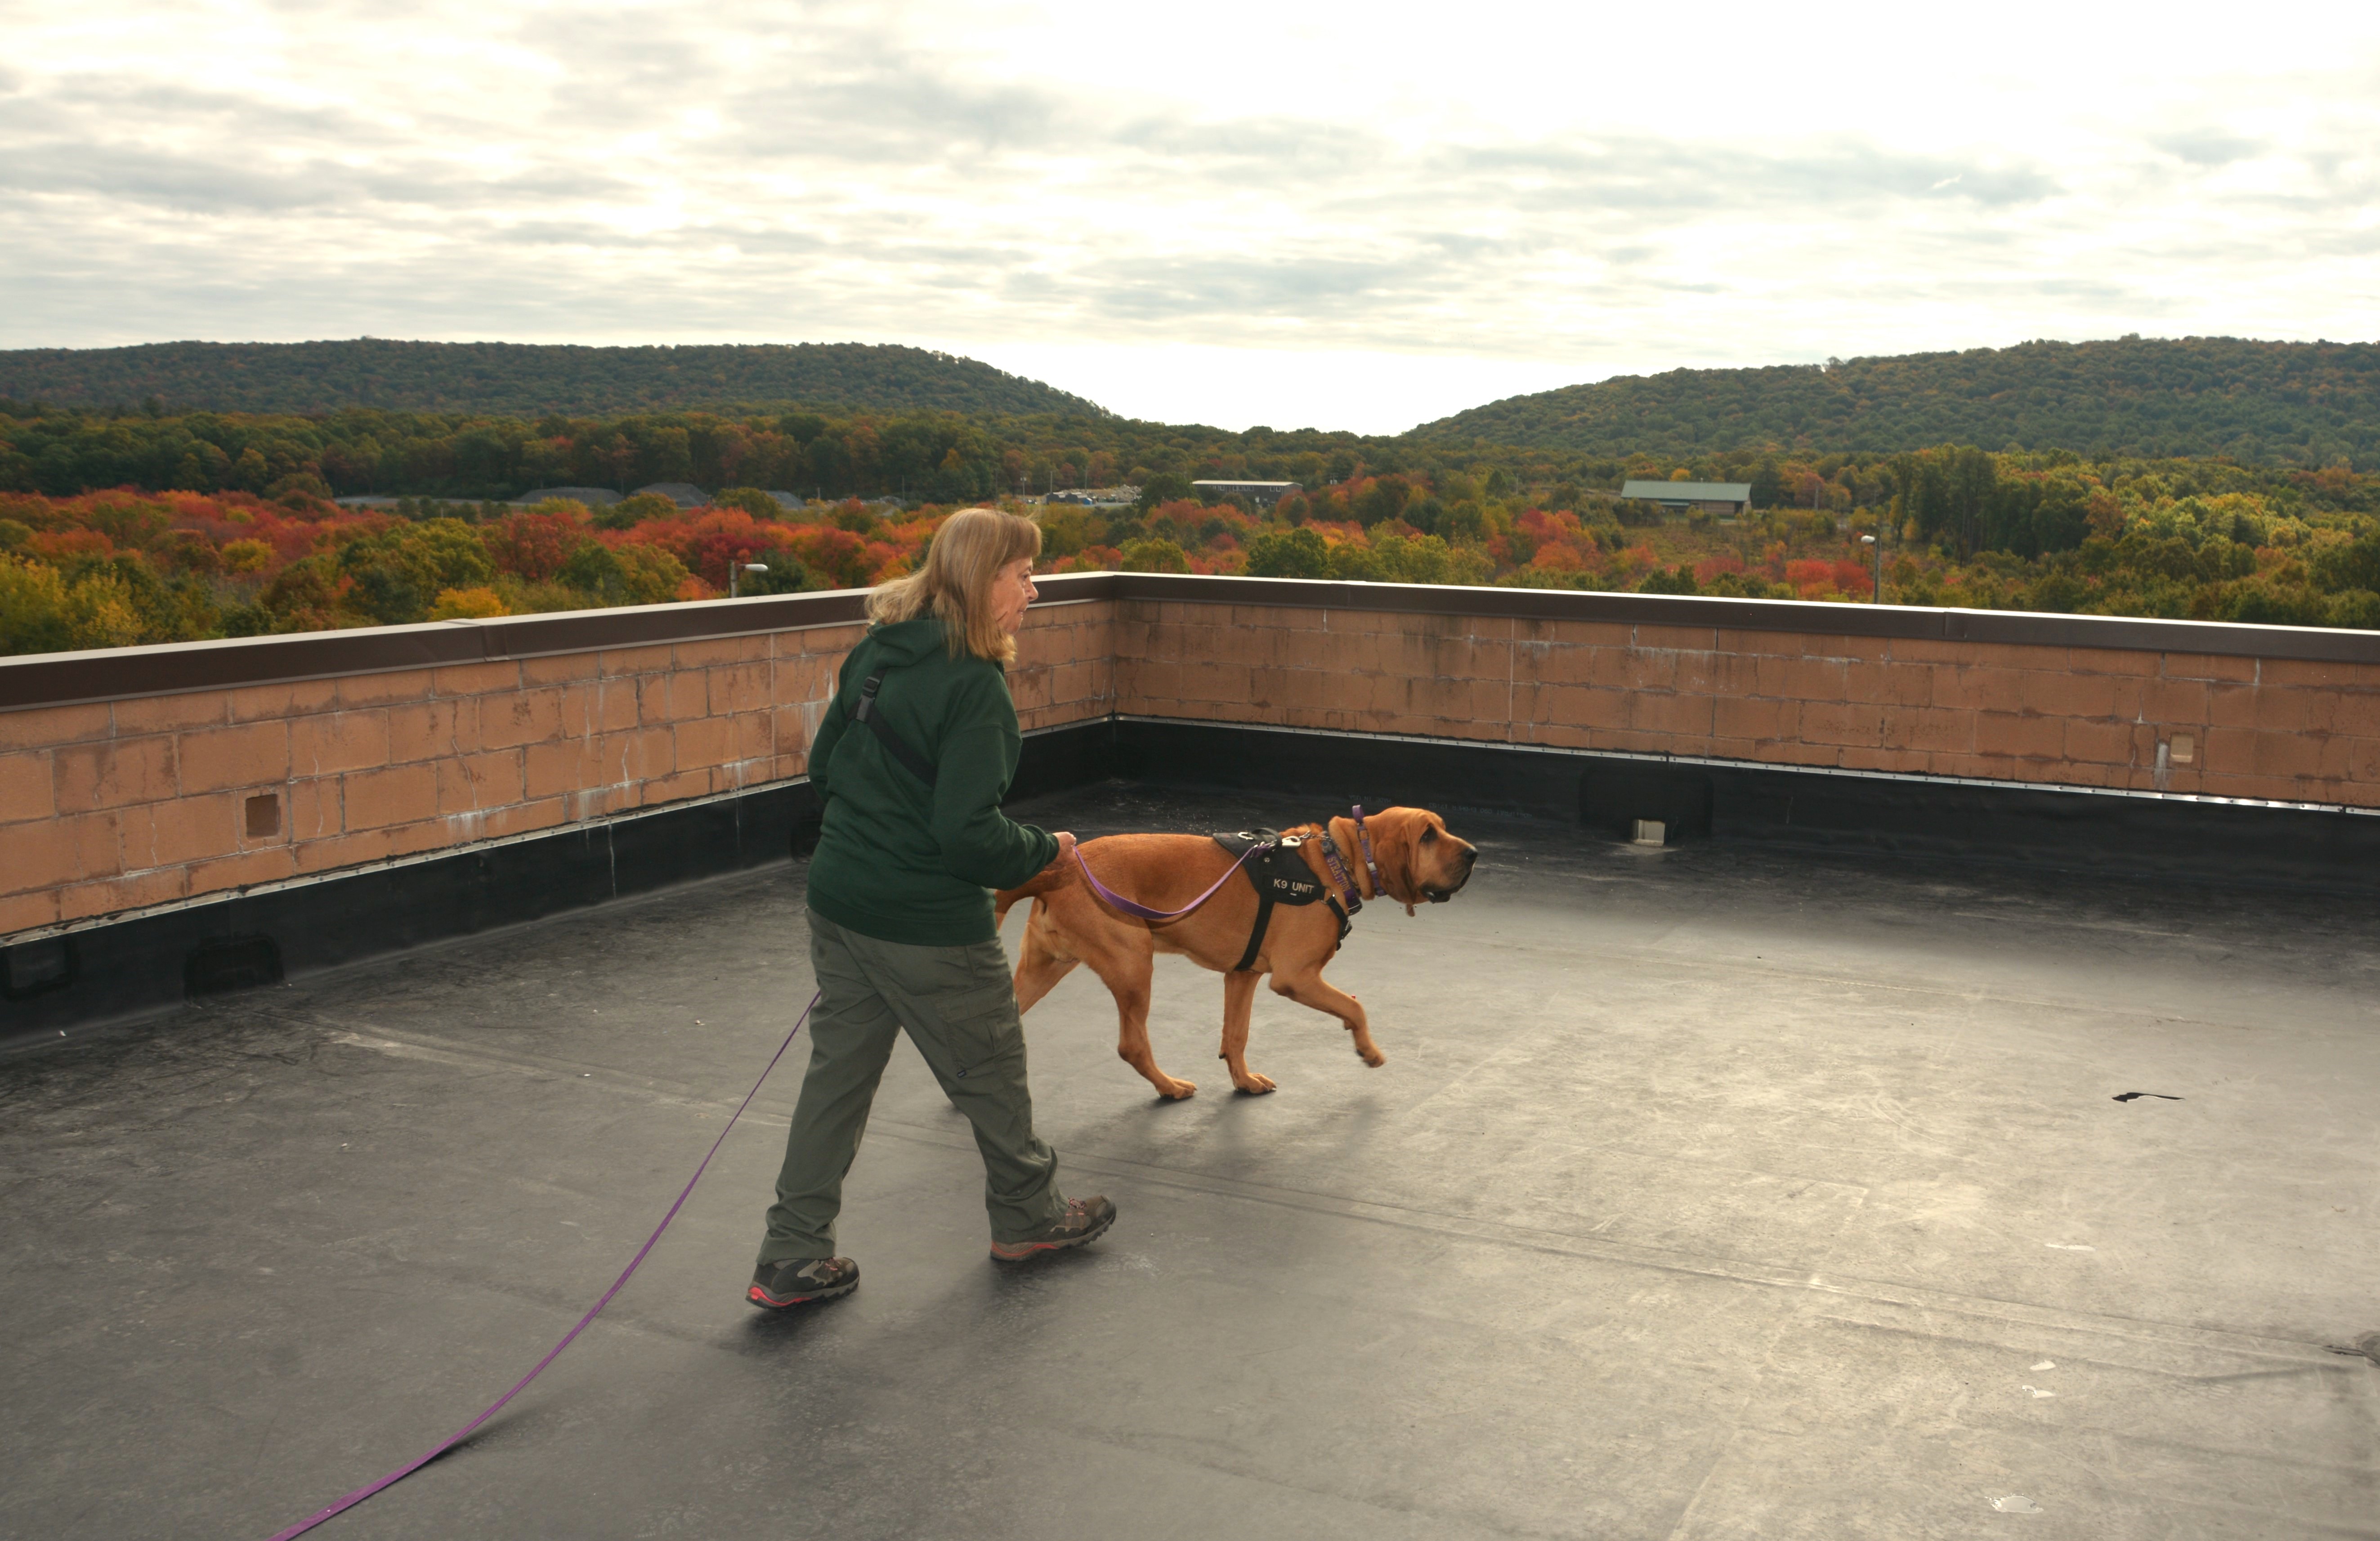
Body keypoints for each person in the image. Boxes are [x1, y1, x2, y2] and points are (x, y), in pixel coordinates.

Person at [749, 507, 1114, 1308]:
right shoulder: (977, 688)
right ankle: (1030, 1215)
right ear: (984, 582)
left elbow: (824, 769)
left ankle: (791, 1254)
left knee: (837, 1079)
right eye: (1022, 574)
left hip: (839, 903)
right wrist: (1046, 854)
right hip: (924, 924)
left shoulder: (878, 651)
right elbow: (968, 838)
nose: (1034, 589)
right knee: (992, 1069)